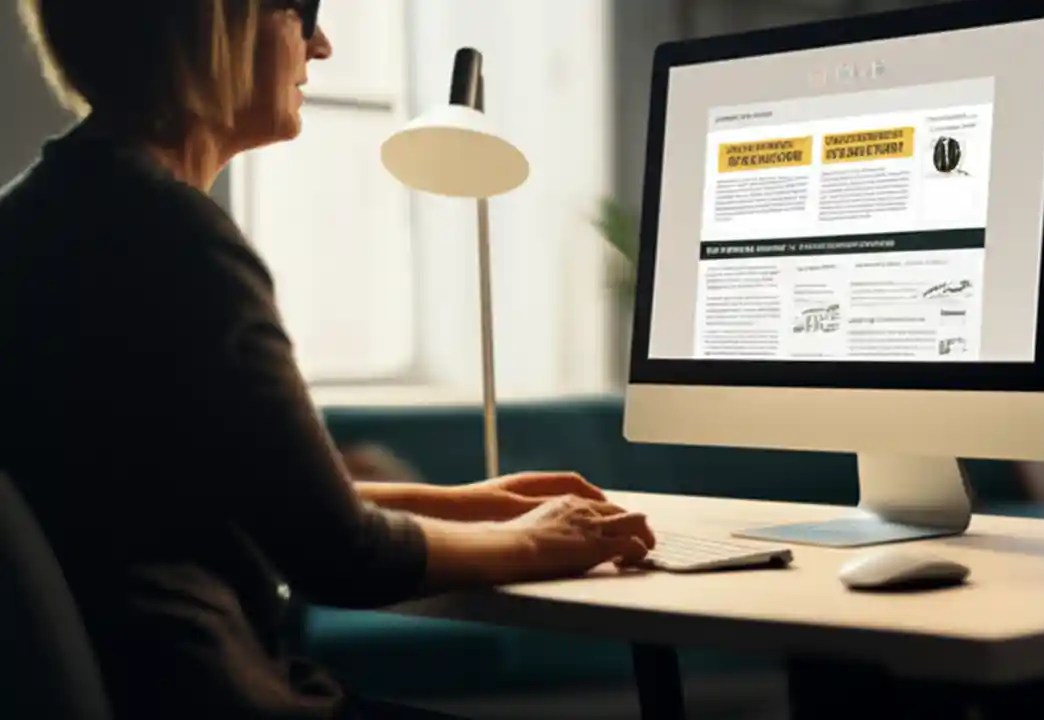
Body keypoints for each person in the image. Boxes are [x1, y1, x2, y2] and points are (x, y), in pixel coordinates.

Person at [0, 1, 655, 718]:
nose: (322, 44)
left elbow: (266, 496)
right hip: (213, 694)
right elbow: (342, 555)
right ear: (221, 22)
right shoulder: (174, 239)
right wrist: (536, 544)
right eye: (302, 11)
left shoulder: (35, 217)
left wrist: (475, 503)